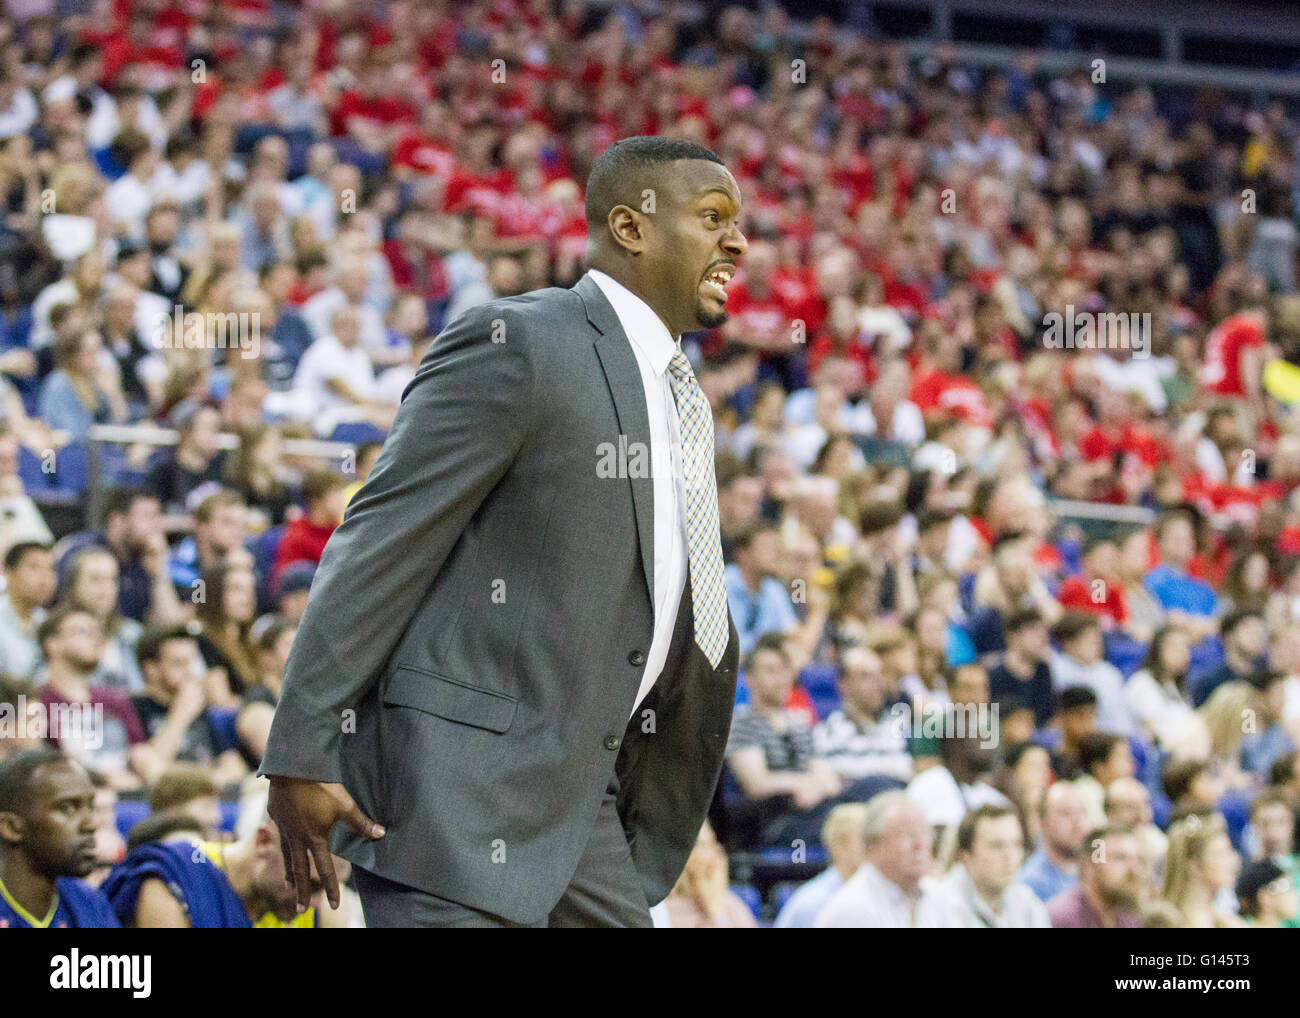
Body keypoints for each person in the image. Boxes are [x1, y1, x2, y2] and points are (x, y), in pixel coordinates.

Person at [260, 137, 746, 928]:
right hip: (455, 797)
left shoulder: (682, 397)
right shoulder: (521, 342)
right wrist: (301, 750)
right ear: (631, 226)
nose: (738, 241)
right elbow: (381, 540)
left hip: (582, 802)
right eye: (713, 217)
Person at [101, 812, 323, 928]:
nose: (317, 902)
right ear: (263, 842)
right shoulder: (176, 878)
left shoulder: (319, 907)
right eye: (309, 884)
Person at [0, 749, 120, 927]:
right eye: (67, 808)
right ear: (11, 827)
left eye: (90, 807)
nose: (91, 824)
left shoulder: (90, 902)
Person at [815, 790, 958, 927]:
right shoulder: (850, 909)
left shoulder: (941, 896)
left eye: (924, 833)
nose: (918, 844)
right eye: (905, 834)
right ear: (872, 845)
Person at [812, 646, 913, 784]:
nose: (877, 682)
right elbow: (838, 778)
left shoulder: (894, 724)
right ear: (843, 684)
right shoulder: (829, 730)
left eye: (879, 674)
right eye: (865, 676)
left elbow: (907, 770)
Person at [941, 804, 1051, 928]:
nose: (1010, 856)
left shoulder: (1027, 903)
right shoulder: (943, 906)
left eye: (1016, 844)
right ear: (967, 858)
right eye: (997, 846)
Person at [774, 803, 868, 928]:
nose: (874, 849)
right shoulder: (815, 903)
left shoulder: (873, 894)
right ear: (839, 845)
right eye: (865, 841)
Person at [653, 822, 756, 928]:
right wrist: (715, 913)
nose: (717, 852)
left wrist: (716, 910)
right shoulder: (658, 909)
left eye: (712, 842)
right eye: (703, 845)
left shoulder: (732, 906)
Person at [1047, 825, 1144, 928]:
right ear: (1089, 866)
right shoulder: (1060, 918)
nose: (1134, 869)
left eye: (1138, 859)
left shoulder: (1130, 919)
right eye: (1119, 858)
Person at [1162, 813, 1244, 927]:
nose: (1234, 860)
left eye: (1229, 852)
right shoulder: (1169, 922)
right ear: (1195, 866)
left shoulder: (1226, 921)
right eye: (1221, 854)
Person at [1019, 781, 1090, 902]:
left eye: (1081, 812)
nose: (1078, 823)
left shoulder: (1092, 872)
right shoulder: (1030, 884)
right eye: (1065, 814)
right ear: (1043, 824)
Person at [0, 541, 56, 682]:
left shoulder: (48, 622)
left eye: (50, 569)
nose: (45, 578)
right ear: (8, 573)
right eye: (34, 568)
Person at [1236, 858, 1300, 927]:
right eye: (1287, 887)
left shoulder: (1291, 925)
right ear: (1265, 897)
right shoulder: (1239, 925)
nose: (1294, 893)